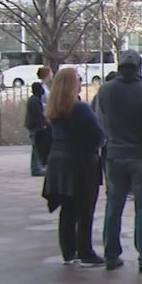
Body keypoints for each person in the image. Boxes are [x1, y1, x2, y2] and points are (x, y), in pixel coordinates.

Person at [95, 50, 142, 273]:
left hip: (114, 155)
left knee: (114, 205)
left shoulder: (105, 91)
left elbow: (99, 121)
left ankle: (111, 254)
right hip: (141, 156)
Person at [41, 67, 106, 266]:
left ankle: (68, 251)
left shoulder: (54, 108)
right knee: (85, 208)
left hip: (59, 161)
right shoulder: (79, 108)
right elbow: (97, 135)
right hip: (82, 162)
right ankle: (85, 251)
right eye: (78, 79)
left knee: (67, 209)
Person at [25, 82, 49, 176]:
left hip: (33, 126)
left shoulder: (33, 99)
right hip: (34, 127)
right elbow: (39, 115)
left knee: (36, 147)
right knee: (36, 148)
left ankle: (37, 166)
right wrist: (44, 125)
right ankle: (35, 168)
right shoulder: (35, 101)